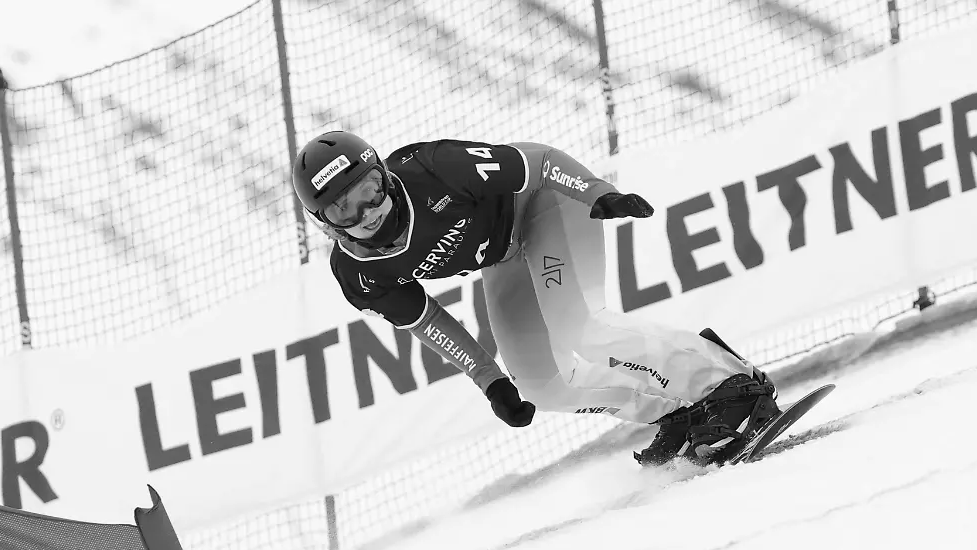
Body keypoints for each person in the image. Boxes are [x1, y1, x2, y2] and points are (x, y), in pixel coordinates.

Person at [290, 131, 779, 466]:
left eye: (370, 189)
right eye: (345, 208)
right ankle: (676, 412)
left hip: (544, 206)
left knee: (583, 331)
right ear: (325, 222)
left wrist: (593, 190)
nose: (368, 212)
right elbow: (427, 320)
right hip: (502, 258)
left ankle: (735, 386)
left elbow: (537, 163)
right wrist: (488, 379)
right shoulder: (356, 274)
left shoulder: (432, 169)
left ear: (381, 172)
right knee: (542, 387)